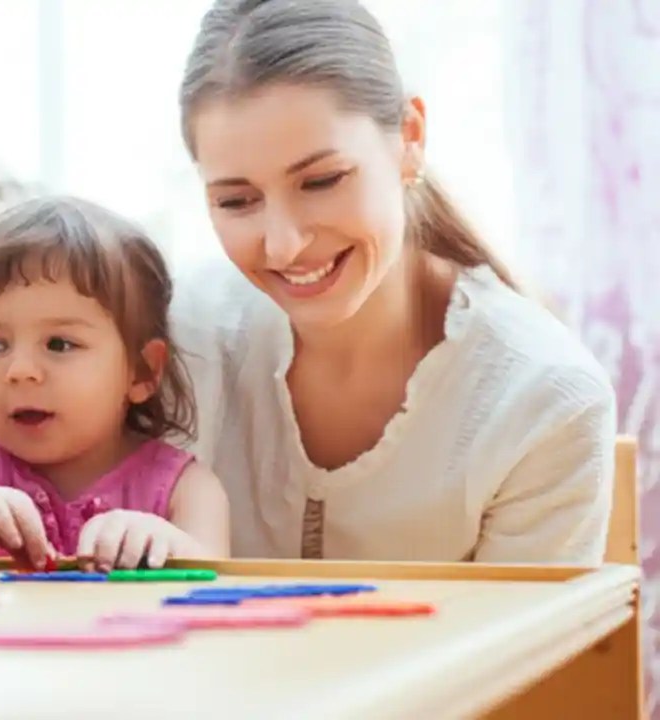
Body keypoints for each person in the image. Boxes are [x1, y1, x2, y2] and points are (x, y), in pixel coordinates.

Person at [171, 0, 616, 563]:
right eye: (236, 200)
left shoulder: (543, 400)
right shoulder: (174, 339)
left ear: (409, 137)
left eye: (322, 180)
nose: (282, 244)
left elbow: (527, 651)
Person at [0, 196, 230, 571]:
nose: (20, 370)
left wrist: (162, 541)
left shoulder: (187, 487)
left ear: (141, 372)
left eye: (59, 344)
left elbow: (218, 580)